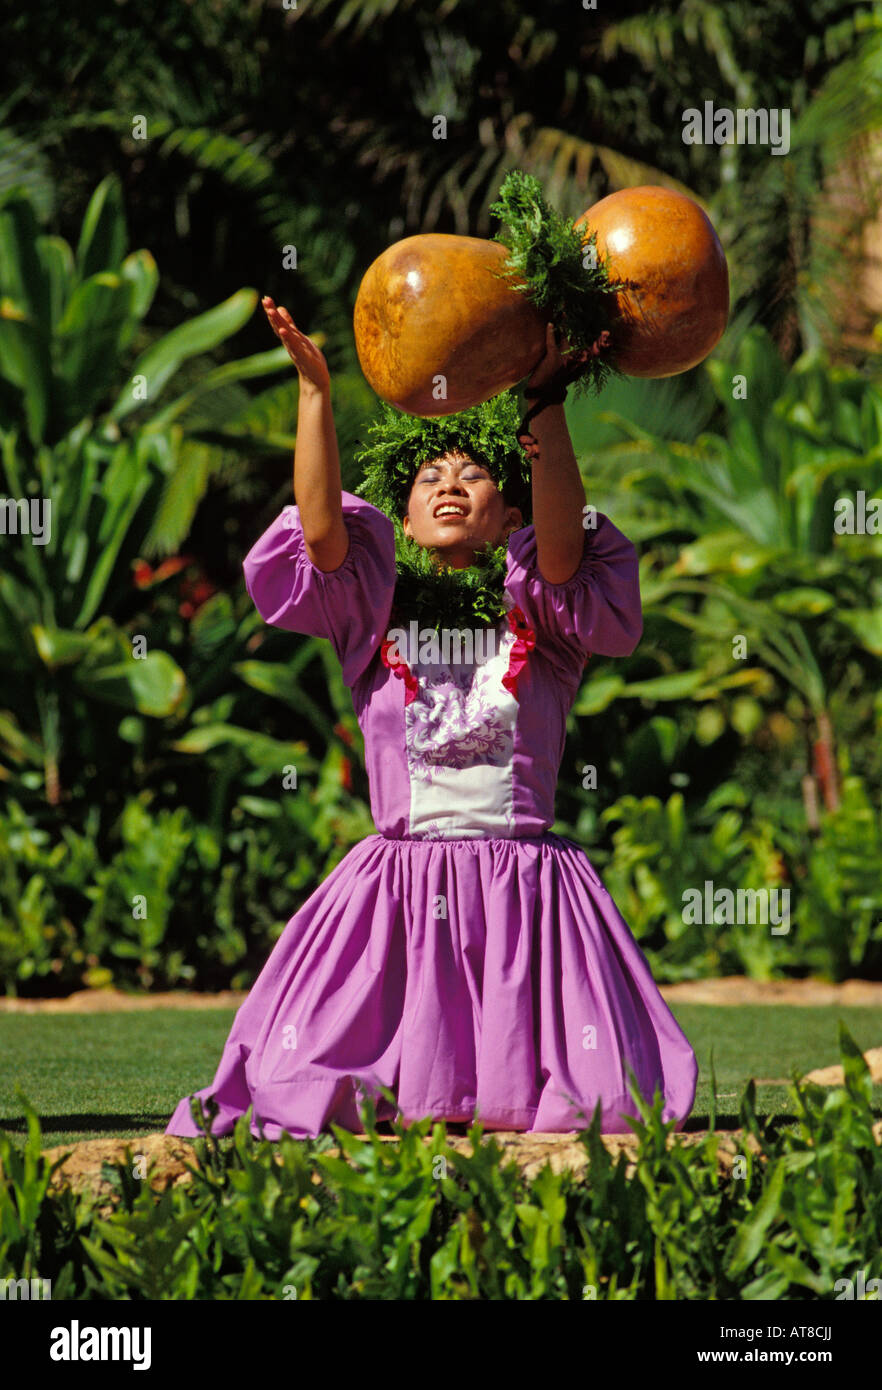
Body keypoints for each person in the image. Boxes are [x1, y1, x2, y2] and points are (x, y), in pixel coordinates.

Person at [164, 297, 698, 1140]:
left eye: (474, 475)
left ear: (510, 514)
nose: (450, 485)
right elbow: (320, 532)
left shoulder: (547, 623)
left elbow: (563, 556)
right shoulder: (368, 616)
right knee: (317, 1084)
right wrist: (313, 392)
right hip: (398, 891)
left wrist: (545, 403)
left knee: (591, 1106)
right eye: (429, 479)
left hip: (526, 891)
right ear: (405, 520)